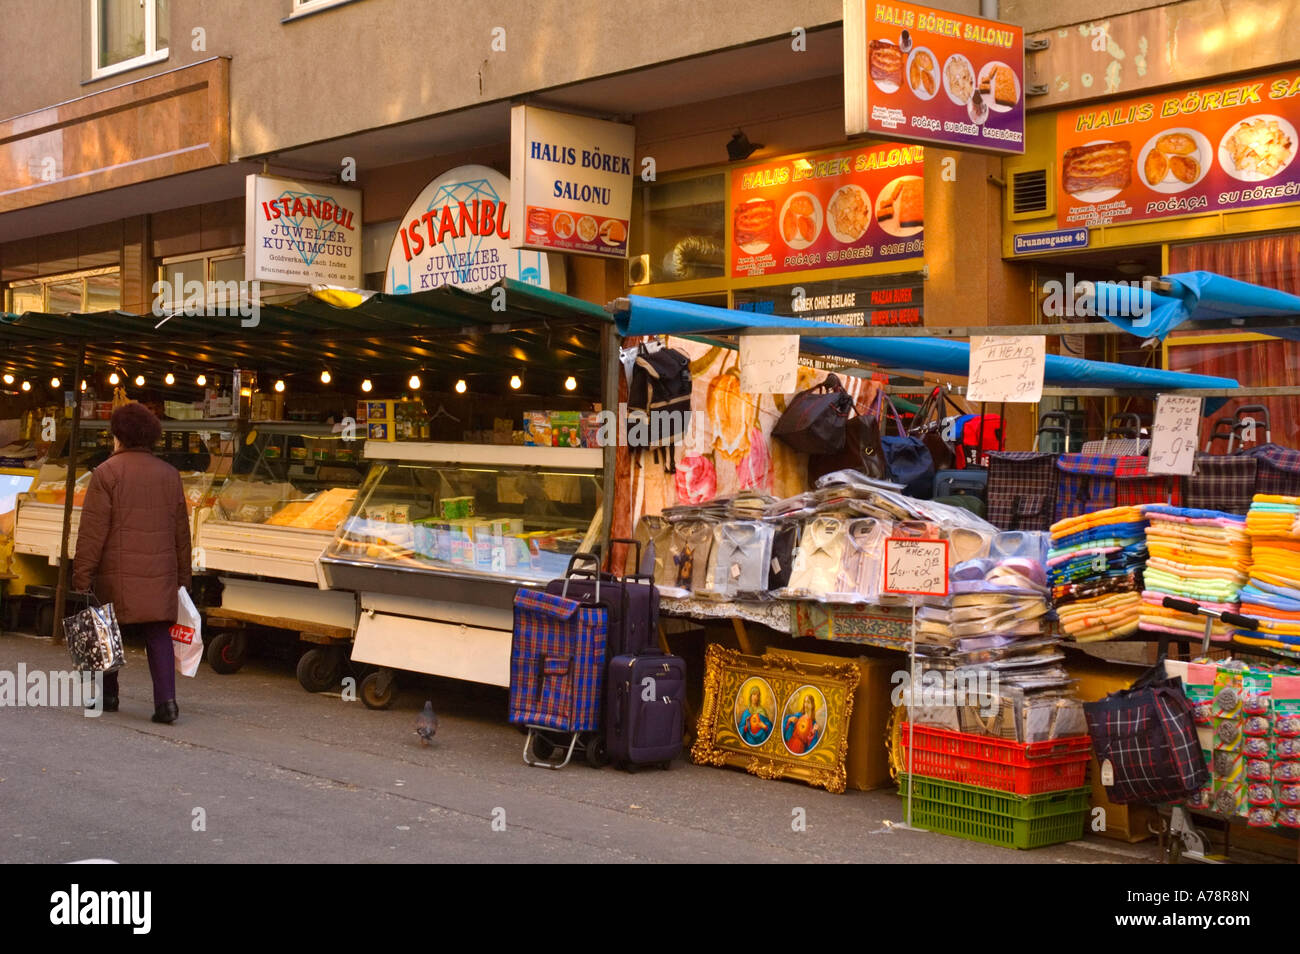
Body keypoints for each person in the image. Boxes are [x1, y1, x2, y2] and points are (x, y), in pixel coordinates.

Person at [74, 402, 192, 724]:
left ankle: (109, 695)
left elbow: (92, 532)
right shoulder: (170, 475)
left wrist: (82, 575)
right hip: (160, 575)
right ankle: (167, 703)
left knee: (107, 628)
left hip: (117, 574)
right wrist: (184, 575)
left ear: (118, 437)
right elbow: (182, 531)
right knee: (158, 634)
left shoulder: (106, 473)